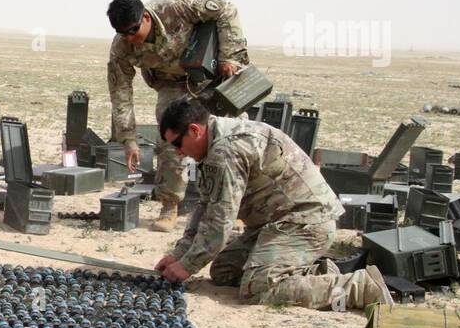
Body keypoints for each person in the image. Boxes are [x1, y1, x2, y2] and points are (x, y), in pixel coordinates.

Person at [155, 98, 392, 310]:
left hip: (305, 222)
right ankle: (310, 273)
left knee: (257, 288)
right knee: (224, 272)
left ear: (195, 130)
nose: (178, 153)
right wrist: (179, 254)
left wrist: (187, 265)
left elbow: (220, 222)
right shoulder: (214, 143)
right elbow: (206, 207)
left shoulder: (226, 150)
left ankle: (360, 287)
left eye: (177, 144)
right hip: (273, 224)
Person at [106, 0, 248, 230]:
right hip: (172, 86)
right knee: (171, 142)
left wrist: (230, 57)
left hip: (212, 77)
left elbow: (226, 9)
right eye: (123, 33)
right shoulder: (121, 48)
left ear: (147, 17)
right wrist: (128, 139)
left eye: (133, 30)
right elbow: (121, 95)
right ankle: (170, 206)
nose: (130, 37)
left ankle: (239, 207)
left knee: (235, 138)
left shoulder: (177, 7)